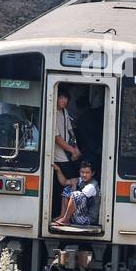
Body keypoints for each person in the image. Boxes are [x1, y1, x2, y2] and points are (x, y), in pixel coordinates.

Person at [52, 88, 82, 216]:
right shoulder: (51, 113)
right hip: (59, 157)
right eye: (61, 97)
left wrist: (76, 146)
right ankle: (61, 214)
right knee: (64, 185)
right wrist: (73, 150)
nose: (64, 101)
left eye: (66, 98)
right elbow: (57, 139)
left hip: (68, 154)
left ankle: (67, 214)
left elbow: (70, 130)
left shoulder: (64, 112)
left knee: (69, 184)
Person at [54, 160, 99, 227]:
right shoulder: (81, 180)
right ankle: (63, 215)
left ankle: (66, 219)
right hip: (78, 216)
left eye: (87, 172)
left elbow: (76, 197)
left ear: (92, 173)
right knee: (67, 189)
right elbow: (64, 182)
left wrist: (74, 185)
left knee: (76, 194)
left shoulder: (92, 185)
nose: (84, 175)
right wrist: (58, 169)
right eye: (82, 172)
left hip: (87, 219)